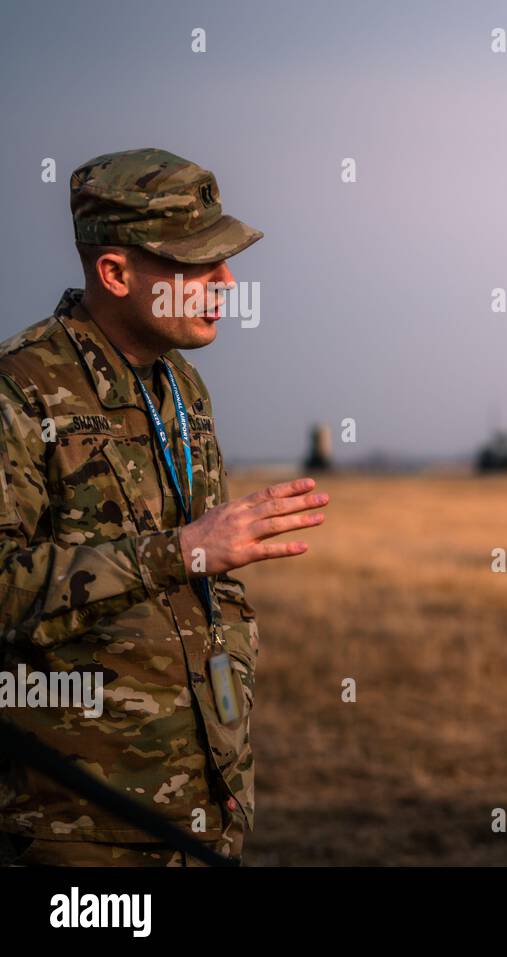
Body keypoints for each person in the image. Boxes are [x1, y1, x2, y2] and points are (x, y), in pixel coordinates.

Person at [0, 148, 329, 866]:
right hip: (78, 830)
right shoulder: (19, 390)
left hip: (203, 813)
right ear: (116, 273)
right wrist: (177, 553)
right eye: (196, 264)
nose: (227, 284)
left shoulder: (183, 388)